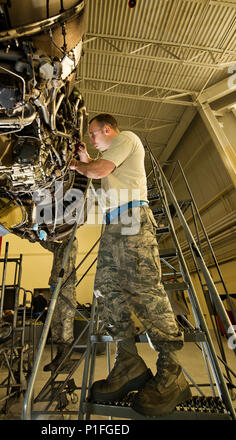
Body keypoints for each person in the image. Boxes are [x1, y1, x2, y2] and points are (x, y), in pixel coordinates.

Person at [69, 113, 191, 417]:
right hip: (114, 224)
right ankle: (129, 364)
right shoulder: (107, 159)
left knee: (144, 289)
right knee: (106, 290)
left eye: (93, 135)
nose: (92, 140)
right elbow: (100, 178)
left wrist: (76, 164)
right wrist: (84, 159)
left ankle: (172, 371)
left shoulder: (127, 139)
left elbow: (98, 171)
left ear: (108, 129)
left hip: (133, 218)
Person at [40, 237, 78, 372]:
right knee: (55, 323)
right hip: (55, 289)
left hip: (67, 288)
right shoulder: (58, 247)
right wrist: (34, 235)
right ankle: (59, 357)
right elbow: (46, 243)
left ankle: (65, 357)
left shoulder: (72, 242)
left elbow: (70, 238)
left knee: (66, 321)